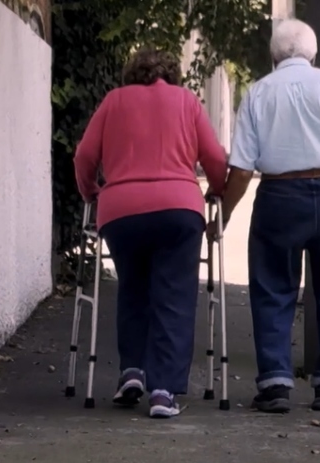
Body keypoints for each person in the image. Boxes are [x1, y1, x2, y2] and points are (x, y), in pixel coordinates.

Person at [219, 19, 320, 414]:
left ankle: (275, 382)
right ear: (313, 53)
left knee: (272, 288)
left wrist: (222, 217)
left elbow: (240, 171)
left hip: (279, 197)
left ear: (273, 54)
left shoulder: (258, 93)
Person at [74, 49, 229, 418]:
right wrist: (216, 189)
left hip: (121, 211)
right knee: (173, 296)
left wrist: (91, 192)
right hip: (178, 209)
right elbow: (215, 158)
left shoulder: (113, 101)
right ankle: (163, 391)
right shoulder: (187, 101)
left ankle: (132, 371)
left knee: (133, 287)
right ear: (172, 75)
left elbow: (84, 156)